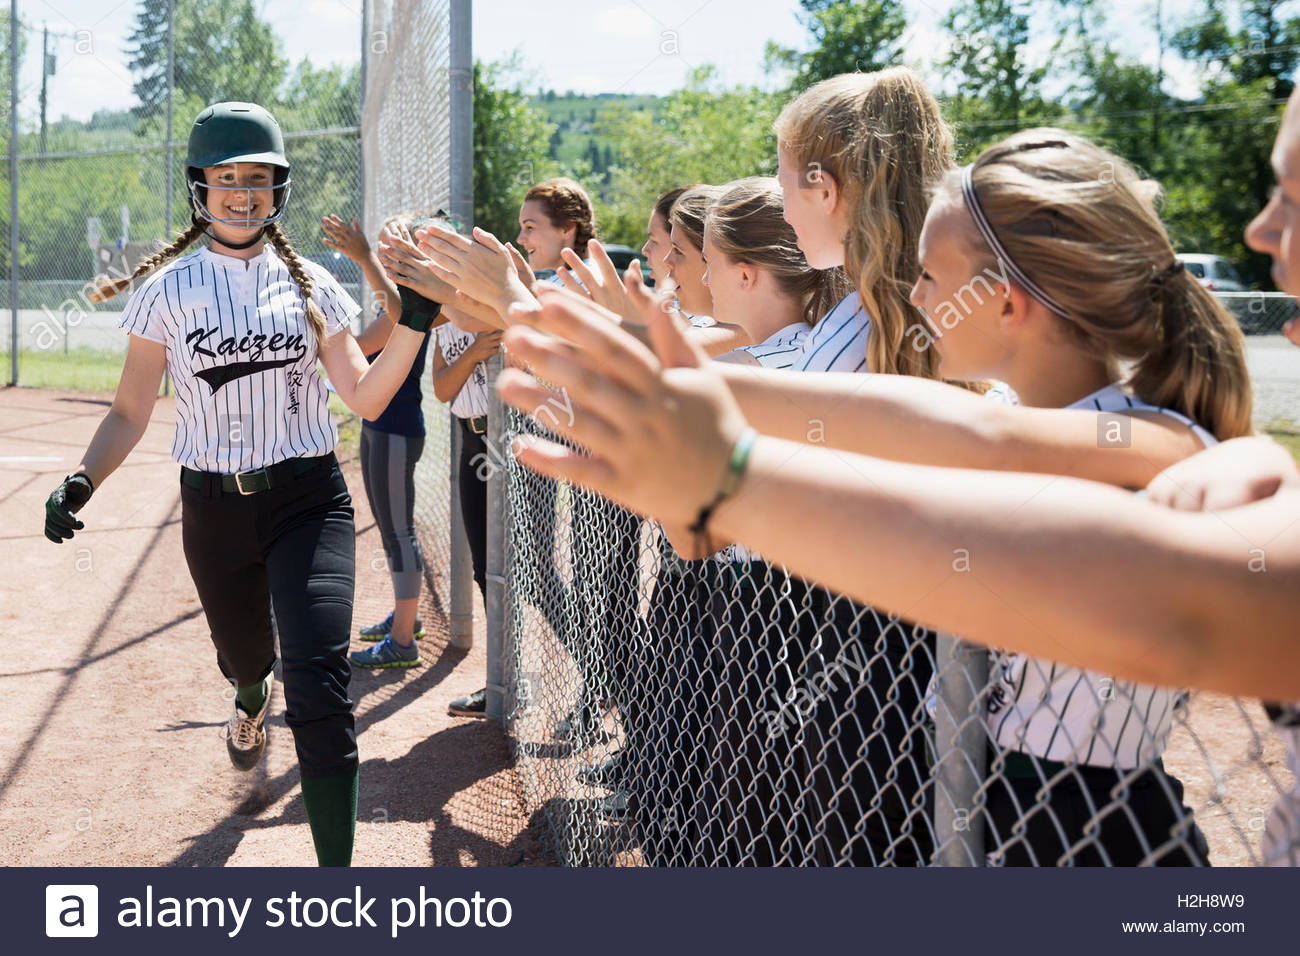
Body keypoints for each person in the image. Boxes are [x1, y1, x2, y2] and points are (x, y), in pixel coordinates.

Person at [489, 93, 1300, 862]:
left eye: (935, 280)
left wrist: (723, 470)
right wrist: (639, 380)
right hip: (994, 801)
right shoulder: (1050, 414)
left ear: (1008, 301)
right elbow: (933, 420)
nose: (917, 298)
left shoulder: (1151, 435)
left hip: (1083, 824)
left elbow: (971, 435)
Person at [43, 102, 447, 867]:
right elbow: (131, 410)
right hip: (214, 509)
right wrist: (81, 479)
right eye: (226, 177)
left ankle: (337, 886)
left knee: (320, 684)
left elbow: (362, 397)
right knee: (245, 658)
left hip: (309, 500)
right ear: (200, 186)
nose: (242, 191)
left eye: (257, 178)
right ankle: (248, 695)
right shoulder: (167, 290)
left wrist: (416, 321)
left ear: (277, 189)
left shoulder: (314, 287)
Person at [319, 212, 431, 669]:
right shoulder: (403, 298)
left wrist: (364, 257)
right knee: (391, 533)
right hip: (383, 428)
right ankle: (406, 620)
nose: (385, 252)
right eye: (383, 246)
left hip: (395, 430)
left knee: (399, 533)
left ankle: (403, 642)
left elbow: (377, 332)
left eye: (393, 246)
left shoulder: (416, 302)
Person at [432, 322, 504, 714]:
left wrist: (477, 347)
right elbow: (443, 388)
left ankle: (602, 673)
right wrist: (473, 352)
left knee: (527, 576)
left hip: (506, 438)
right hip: (472, 442)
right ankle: (503, 679)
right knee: (483, 568)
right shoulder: (441, 319)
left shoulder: (485, 299)